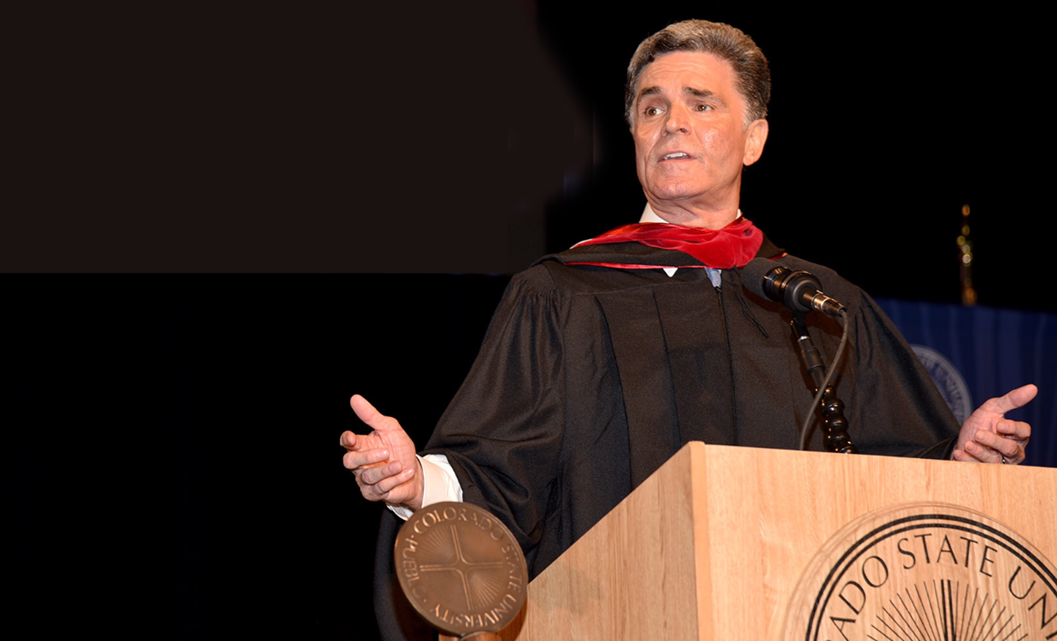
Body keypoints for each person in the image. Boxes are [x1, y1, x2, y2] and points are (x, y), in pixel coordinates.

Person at [341, 18, 1035, 636]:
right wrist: (417, 482)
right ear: (635, 136)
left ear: (754, 138)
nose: (671, 122)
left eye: (701, 104)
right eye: (652, 108)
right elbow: (499, 477)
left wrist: (962, 462)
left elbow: (894, 485)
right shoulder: (563, 295)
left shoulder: (820, 303)